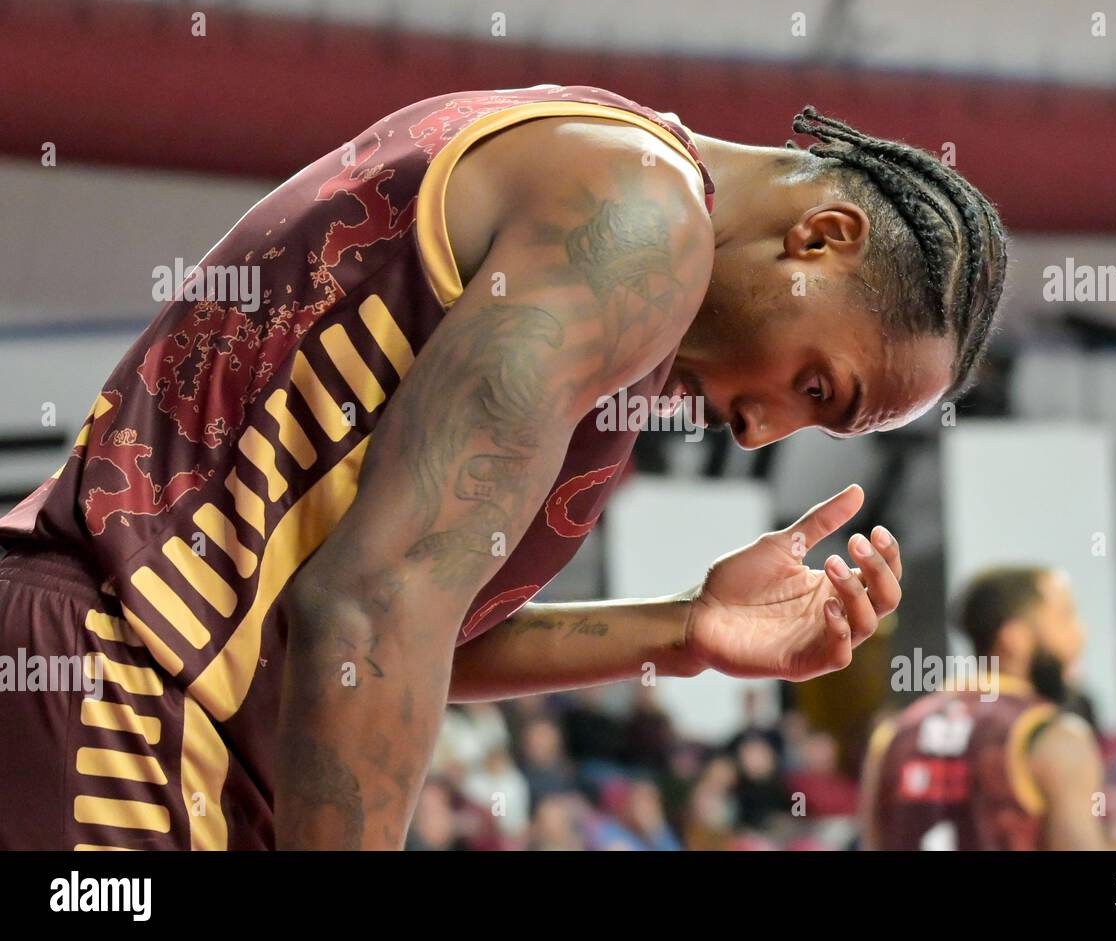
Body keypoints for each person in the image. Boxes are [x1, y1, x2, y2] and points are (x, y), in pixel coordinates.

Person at [0, 83, 1006, 849]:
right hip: (120, 687)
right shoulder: (640, 223)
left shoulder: (612, 196)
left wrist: (682, 631)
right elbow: (374, 608)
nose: (758, 430)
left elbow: (386, 622)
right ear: (822, 238)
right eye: (816, 386)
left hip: (140, 690)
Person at [860, 566, 1107, 850]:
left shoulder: (894, 735)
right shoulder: (1053, 737)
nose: (1080, 635)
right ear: (1014, 637)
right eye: (1065, 617)